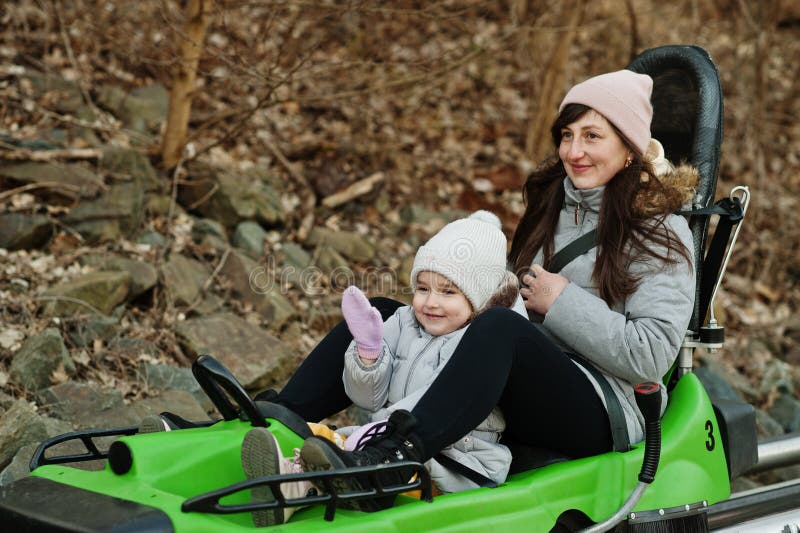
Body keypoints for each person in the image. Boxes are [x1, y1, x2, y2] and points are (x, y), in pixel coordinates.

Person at [257, 69, 698, 513]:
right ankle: (277, 417)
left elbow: (653, 355)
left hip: (604, 408)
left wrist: (562, 301)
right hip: (523, 375)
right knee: (386, 314)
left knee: (499, 329)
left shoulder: (662, 231)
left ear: (629, 147)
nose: (574, 151)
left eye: (592, 136)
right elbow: (502, 292)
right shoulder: (554, 202)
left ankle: (393, 458)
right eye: (567, 135)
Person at [241, 210, 523, 524]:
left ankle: (302, 484)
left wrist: (371, 435)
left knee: (336, 445)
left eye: (448, 292)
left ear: (480, 298)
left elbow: (437, 404)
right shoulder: (405, 323)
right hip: (385, 441)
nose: (430, 302)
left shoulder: (478, 344)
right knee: (319, 437)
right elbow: (369, 399)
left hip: (453, 464)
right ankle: (290, 483)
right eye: (423, 288)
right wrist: (369, 354)